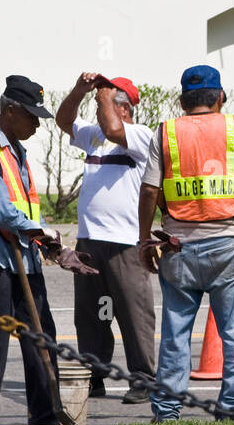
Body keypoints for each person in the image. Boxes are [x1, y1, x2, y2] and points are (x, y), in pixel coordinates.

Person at [138, 65, 234, 422]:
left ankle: (167, 411)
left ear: (182, 101)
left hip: (177, 246)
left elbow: (150, 189)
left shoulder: (166, 132)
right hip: (226, 244)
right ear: (219, 97)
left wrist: (143, 241)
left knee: (175, 332)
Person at [0, 74, 97, 425]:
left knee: (41, 338)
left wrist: (55, 248)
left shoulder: (17, 151)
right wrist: (44, 231)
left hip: (27, 259)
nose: (37, 124)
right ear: (10, 110)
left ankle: (44, 413)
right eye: (32, 116)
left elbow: (25, 209)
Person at [54, 72, 158, 405]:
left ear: (123, 108)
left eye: (107, 101)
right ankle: (95, 374)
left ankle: (143, 379)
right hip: (90, 242)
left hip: (125, 243)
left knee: (133, 313)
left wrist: (103, 94)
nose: (100, 108)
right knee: (94, 314)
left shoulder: (140, 136)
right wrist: (80, 90)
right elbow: (64, 120)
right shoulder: (94, 136)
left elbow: (114, 129)